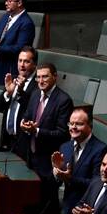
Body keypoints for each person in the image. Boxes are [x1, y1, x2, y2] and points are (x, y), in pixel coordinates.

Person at [15, 63, 75, 204]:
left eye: (45, 77)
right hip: (31, 156)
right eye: (38, 77)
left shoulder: (63, 100)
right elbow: (28, 114)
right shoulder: (35, 94)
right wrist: (24, 123)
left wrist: (36, 131)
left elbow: (63, 134)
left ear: (55, 77)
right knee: (31, 199)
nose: (41, 81)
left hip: (48, 161)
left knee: (48, 201)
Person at [51, 107, 107, 214]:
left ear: (90, 126)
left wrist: (69, 178)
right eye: (71, 123)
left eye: (79, 124)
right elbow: (59, 179)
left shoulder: (101, 150)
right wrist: (57, 171)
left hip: (84, 211)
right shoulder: (65, 147)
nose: (73, 127)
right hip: (65, 207)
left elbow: (96, 184)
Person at [0, 0, 36, 80]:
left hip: (10, 70)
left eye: (9, 1)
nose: (6, 3)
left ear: (19, 3)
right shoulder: (6, 16)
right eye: (6, 0)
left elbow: (21, 48)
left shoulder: (27, 23)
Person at [0, 46, 38, 151]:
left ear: (34, 64)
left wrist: (20, 92)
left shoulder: (38, 85)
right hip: (7, 140)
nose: (22, 65)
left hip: (23, 142)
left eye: (26, 61)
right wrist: (8, 93)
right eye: (20, 61)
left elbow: (32, 110)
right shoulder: (13, 80)